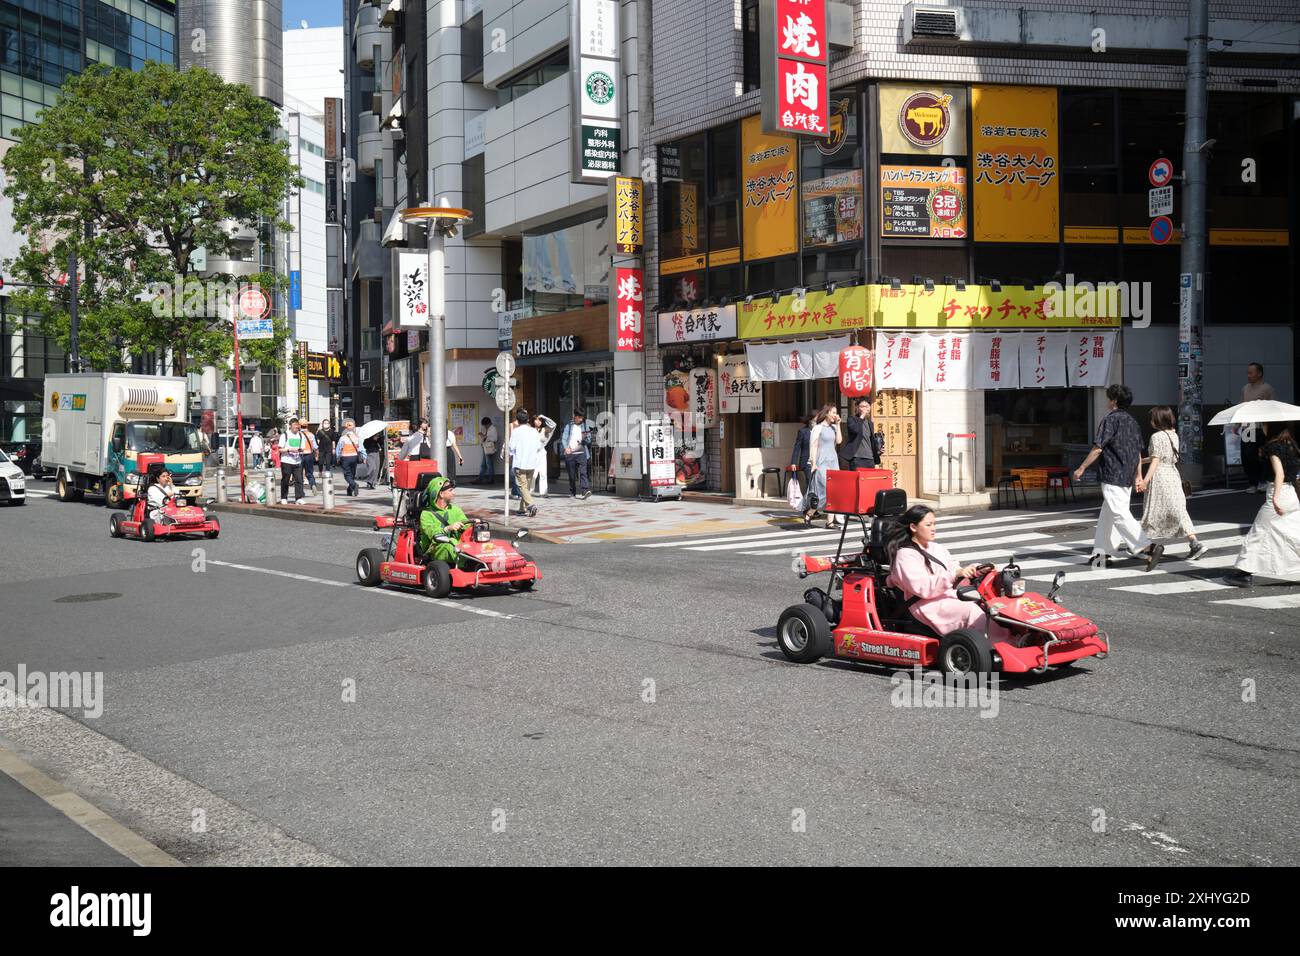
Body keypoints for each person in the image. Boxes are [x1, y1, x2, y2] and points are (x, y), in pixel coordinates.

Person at [886, 505, 1012, 641]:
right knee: (970, 610)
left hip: (947, 596)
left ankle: (1014, 634)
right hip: (926, 604)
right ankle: (1007, 644)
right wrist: (954, 575)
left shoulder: (937, 548)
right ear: (913, 527)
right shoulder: (905, 555)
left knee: (991, 605)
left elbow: (954, 569)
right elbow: (923, 587)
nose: (934, 528)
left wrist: (976, 570)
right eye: (928, 525)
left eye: (934, 524)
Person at [1073, 384, 1163, 571]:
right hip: (1127, 475)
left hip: (1112, 473)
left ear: (1114, 401)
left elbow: (1098, 447)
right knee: (1110, 514)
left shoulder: (1110, 420)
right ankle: (1102, 554)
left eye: (1109, 398)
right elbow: (1137, 452)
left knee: (1119, 514)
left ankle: (1148, 546)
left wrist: (1081, 467)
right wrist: (1138, 476)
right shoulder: (1133, 422)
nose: (1108, 401)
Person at [1224, 423, 1300, 588]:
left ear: (1271, 428)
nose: (1263, 427)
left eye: (1265, 425)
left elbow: (1279, 473)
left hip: (1278, 494)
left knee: (1257, 533)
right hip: (1292, 494)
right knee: (1294, 533)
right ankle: (1244, 571)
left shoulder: (1273, 447)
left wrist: (1275, 498)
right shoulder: (1291, 445)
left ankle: (1244, 574)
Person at [1137, 405, 1205, 560]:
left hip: (1160, 477)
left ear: (1158, 419)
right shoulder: (1173, 434)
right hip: (1172, 474)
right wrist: (1143, 460)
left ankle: (1141, 545)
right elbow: (1161, 456)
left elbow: (1156, 461)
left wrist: (1145, 480)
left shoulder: (1156, 437)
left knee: (1152, 509)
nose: (1151, 421)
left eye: (1153, 417)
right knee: (1179, 510)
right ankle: (1195, 543)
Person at [418, 475, 471, 566]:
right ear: (441, 494)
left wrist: (473, 524)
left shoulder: (455, 509)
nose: (454, 493)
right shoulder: (426, 514)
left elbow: (465, 522)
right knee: (450, 547)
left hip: (457, 544)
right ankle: (469, 566)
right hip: (435, 548)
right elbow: (433, 534)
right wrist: (448, 528)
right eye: (450, 491)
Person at [804, 404, 842, 529]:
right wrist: (813, 463)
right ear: (826, 413)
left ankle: (829, 522)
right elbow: (814, 446)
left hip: (833, 462)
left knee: (834, 492)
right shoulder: (818, 428)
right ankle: (810, 513)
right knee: (823, 491)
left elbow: (839, 441)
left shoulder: (833, 428)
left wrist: (838, 425)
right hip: (821, 462)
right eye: (833, 412)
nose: (835, 415)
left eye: (836, 412)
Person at [1239, 362, 1275, 492]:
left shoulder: (1267, 389)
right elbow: (1241, 406)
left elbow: (1271, 408)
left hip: (1260, 426)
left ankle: (1262, 481)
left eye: (1251, 372)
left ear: (1259, 373)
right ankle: (1252, 483)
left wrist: (1267, 428)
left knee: (1258, 455)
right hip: (1247, 426)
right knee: (1246, 456)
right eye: (1247, 373)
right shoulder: (1245, 388)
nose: (1248, 375)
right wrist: (1237, 424)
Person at [507, 409, 544, 518]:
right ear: (528, 420)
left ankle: (530, 505)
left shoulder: (516, 431)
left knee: (523, 486)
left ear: (517, 421)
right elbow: (538, 446)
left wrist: (513, 454)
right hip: (532, 463)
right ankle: (521, 508)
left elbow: (511, 446)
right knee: (526, 487)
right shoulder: (534, 431)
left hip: (520, 463)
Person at [559, 409, 592, 499]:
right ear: (575, 416)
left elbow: (589, 441)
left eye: (582, 417)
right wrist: (566, 448)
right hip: (571, 453)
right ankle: (572, 491)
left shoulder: (585, 426)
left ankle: (584, 490)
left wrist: (585, 438)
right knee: (572, 475)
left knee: (583, 472)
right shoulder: (568, 426)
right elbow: (564, 439)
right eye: (579, 417)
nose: (581, 419)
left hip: (582, 453)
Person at [842, 397, 878, 471]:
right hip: (857, 458)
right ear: (857, 407)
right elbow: (855, 430)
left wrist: (878, 450)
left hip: (870, 459)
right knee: (857, 481)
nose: (864, 409)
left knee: (869, 481)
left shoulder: (870, 423)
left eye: (867, 406)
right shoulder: (851, 419)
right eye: (862, 406)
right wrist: (861, 417)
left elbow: (869, 441)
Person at [278, 418, 307, 504]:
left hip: (297, 461)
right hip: (286, 461)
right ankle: (284, 497)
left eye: (297, 425)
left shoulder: (301, 435)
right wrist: (289, 450)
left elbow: (302, 448)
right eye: (294, 425)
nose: (296, 427)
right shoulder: (285, 435)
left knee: (299, 479)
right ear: (290, 426)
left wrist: (299, 450)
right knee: (285, 479)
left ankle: (298, 498)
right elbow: (280, 449)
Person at [335, 419, 366, 497]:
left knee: (347, 475)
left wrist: (337, 457)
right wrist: (365, 457)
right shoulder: (357, 438)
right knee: (352, 474)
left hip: (345, 458)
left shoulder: (343, 438)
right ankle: (350, 490)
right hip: (354, 458)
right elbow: (361, 449)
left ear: (346, 428)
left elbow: (338, 449)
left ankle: (354, 485)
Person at [789, 413, 814, 500]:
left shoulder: (820, 430)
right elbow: (797, 448)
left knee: (816, 484)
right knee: (810, 483)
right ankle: (808, 507)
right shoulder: (803, 431)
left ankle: (813, 507)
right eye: (815, 419)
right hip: (807, 461)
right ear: (810, 420)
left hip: (818, 461)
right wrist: (793, 462)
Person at [533, 413, 557, 497]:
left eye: (540, 420)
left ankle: (543, 492)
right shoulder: (530, 430)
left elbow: (554, 425)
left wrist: (544, 416)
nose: (538, 421)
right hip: (533, 453)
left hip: (542, 452)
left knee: (543, 473)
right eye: (536, 419)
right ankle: (529, 491)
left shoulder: (544, 429)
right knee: (533, 474)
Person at [477, 417, 498, 484]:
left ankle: (490, 479)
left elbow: (495, 439)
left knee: (489, 464)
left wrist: (484, 436)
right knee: (484, 464)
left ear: (488, 423)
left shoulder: (493, 429)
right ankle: (480, 478)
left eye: (485, 425)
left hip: (489, 449)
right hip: (485, 448)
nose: (485, 426)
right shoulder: (488, 429)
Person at [301, 425, 318, 494]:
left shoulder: (298, 434)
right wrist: (317, 456)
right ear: (307, 426)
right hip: (309, 455)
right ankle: (313, 484)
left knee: (299, 473)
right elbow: (315, 447)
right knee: (309, 472)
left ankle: (301, 491)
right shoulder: (311, 435)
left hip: (300, 455)